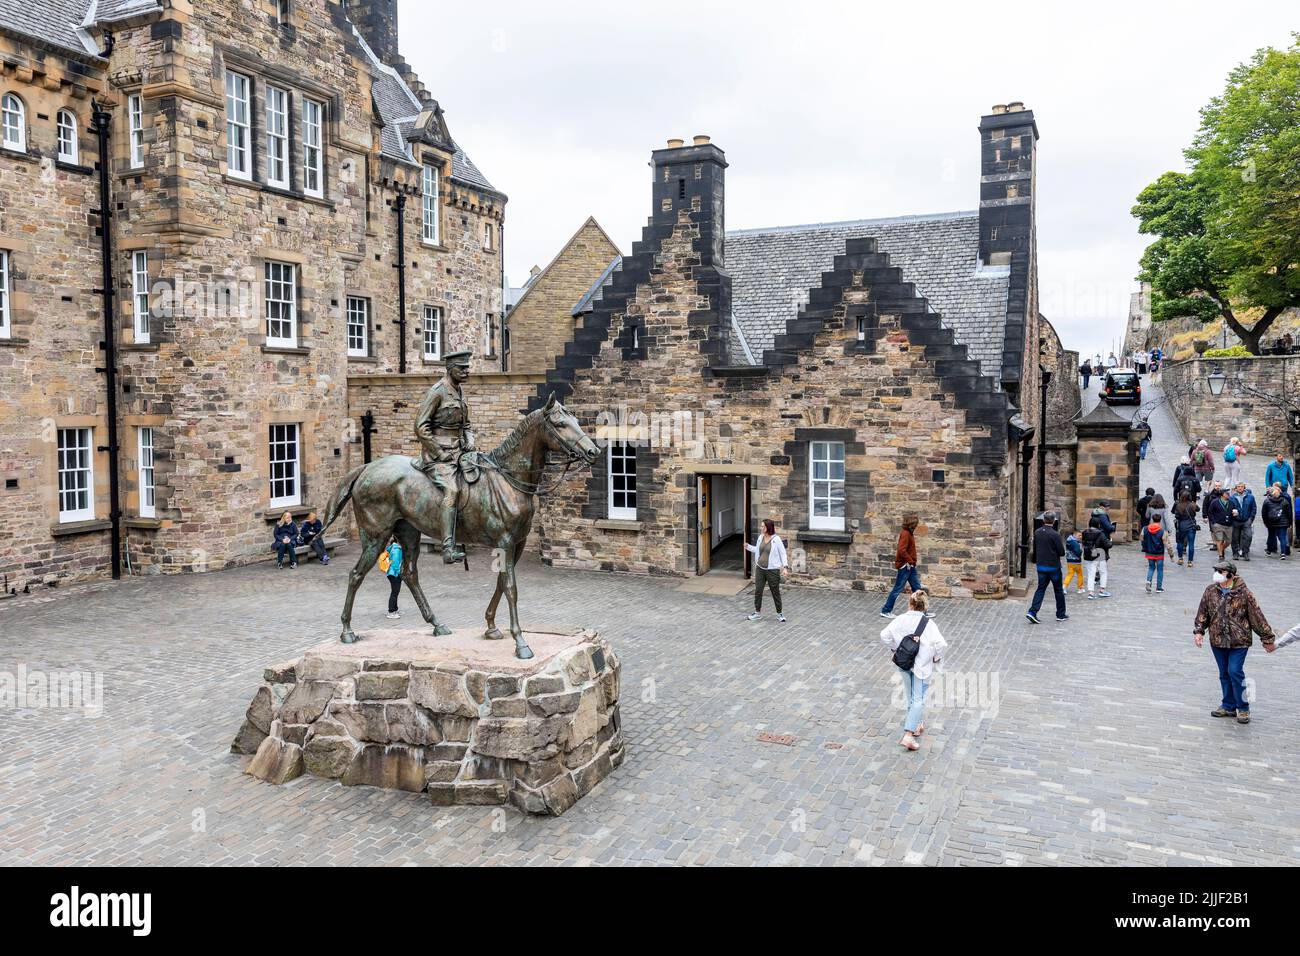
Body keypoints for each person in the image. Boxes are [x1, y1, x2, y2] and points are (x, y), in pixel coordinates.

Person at [1193, 561, 1276, 724]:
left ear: (1230, 574)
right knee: (1224, 674)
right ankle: (1228, 705)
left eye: (1220, 571)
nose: (1217, 573)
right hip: (1217, 640)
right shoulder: (1211, 591)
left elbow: (1257, 617)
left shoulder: (1244, 593)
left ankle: (1243, 708)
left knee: (1235, 672)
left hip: (1239, 641)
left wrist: (1267, 638)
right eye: (1216, 570)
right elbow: (1203, 612)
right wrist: (1199, 631)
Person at [414, 349, 476, 564]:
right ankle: (448, 548)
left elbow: (466, 425)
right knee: (452, 491)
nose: (467, 372)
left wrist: (470, 442)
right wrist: (439, 453)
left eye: (468, 368)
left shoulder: (460, 391)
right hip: (438, 456)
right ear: (451, 370)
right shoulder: (437, 392)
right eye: (462, 368)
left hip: (460, 452)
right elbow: (421, 427)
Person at [881, 590, 947, 752]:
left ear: (910, 604)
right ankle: (909, 735)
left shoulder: (900, 619)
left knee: (911, 696)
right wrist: (936, 658)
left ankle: (916, 725)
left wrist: (896, 648)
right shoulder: (929, 624)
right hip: (922, 666)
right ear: (924, 606)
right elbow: (942, 645)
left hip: (904, 663)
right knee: (918, 698)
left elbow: (884, 635)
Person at [1026, 511, 1068, 624]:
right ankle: (1060, 614)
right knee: (1058, 590)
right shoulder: (1055, 534)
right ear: (1054, 521)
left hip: (1041, 566)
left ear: (1044, 520)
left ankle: (1032, 612)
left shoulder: (1038, 532)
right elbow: (1061, 552)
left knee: (1040, 589)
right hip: (1053, 567)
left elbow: (1035, 546)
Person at [880, 515, 923, 619]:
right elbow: (901, 550)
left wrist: (911, 562)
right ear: (912, 524)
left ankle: (922, 612)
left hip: (910, 566)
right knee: (897, 589)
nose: (917, 526)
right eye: (915, 524)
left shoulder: (909, 533)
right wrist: (910, 560)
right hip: (905, 566)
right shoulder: (906, 534)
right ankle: (886, 610)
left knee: (917, 588)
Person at [746, 519, 789, 622]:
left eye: (763, 527)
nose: (761, 528)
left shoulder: (776, 539)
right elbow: (758, 549)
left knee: (775, 592)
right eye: (761, 526)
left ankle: (780, 614)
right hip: (760, 568)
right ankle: (757, 613)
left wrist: (785, 567)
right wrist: (748, 547)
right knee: (758, 591)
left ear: (768, 528)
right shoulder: (760, 537)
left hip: (772, 570)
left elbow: (783, 553)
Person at [1082, 517, 1112, 599]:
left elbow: (1083, 544)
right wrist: (1110, 541)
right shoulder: (1100, 533)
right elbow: (1108, 545)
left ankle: (1091, 593)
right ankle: (1102, 590)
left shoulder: (1084, 532)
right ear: (1098, 524)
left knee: (1091, 574)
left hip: (1088, 554)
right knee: (1103, 572)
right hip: (1099, 552)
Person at [1141, 514, 1172, 593]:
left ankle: (1149, 581)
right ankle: (1159, 587)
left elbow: (1141, 538)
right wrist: (1171, 554)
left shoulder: (1145, 529)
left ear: (1152, 519)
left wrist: (1144, 545)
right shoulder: (1162, 531)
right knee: (1160, 569)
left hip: (1149, 552)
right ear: (1160, 520)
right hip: (1159, 553)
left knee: (1151, 568)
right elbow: (1167, 544)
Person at [1262, 484, 1293, 559]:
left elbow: (1264, 513)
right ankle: (1283, 553)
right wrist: (1289, 522)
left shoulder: (1267, 501)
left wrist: (1266, 522)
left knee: (1271, 536)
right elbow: (1289, 513)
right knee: (1282, 538)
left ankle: (1269, 550)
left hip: (1271, 522)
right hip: (1283, 523)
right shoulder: (1285, 501)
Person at [1229, 483, 1256, 561]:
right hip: (1235, 521)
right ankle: (1235, 553)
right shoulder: (1232, 498)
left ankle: (1245, 552)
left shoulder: (1250, 497)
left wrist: (1251, 518)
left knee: (1248, 536)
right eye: (1238, 487)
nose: (1240, 488)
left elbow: (1253, 508)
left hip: (1246, 520)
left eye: (1241, 487)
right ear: (1236, 488)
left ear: (1244, 488)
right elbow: (1229, 508)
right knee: (1234, 538)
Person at [1173, 491, 1200, 568]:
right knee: (1191, 544)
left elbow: (1176, 516)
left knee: (1180, 542)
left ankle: (1180, 558)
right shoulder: (1192, 505)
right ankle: (1190, 561)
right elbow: (1198, 509)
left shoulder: (1178, 505)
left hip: (1182, 525)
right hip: (1191, 525)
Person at [1206, 487, 1233, 561]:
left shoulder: (1231, 502)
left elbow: (1234, 510)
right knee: (1219, 540)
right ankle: (1221, 555)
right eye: (1226, 493)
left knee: (1228, 541)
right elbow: (1210, 512)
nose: (1228, 494)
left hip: (1228, 525)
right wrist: (1214, 522)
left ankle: (1221, 549)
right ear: (1222, 494)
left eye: (1228, 493)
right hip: (1218, 524)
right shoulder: (1215, 502)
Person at [382, 536, 403, 619]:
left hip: (392, 573)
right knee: (394, 592)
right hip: (393, 574)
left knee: (395, 592)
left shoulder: (395, 547)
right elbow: (395, 564)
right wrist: (399, 574)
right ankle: (391, 612)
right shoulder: (396, 550)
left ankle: (395, 609)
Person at [1063, 529, 1085, 594]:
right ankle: (1080, 588)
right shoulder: (1075, 543)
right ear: (1074, 535)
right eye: (1079, 535)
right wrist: (1081, 550)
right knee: (1079, 574)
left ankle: (1064, 586)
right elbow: (1078, 552)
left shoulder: (1069, 541)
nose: (1080, 537)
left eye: (1081, 535)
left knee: (1070, 574)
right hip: (1076, 561)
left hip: (1069, 561)